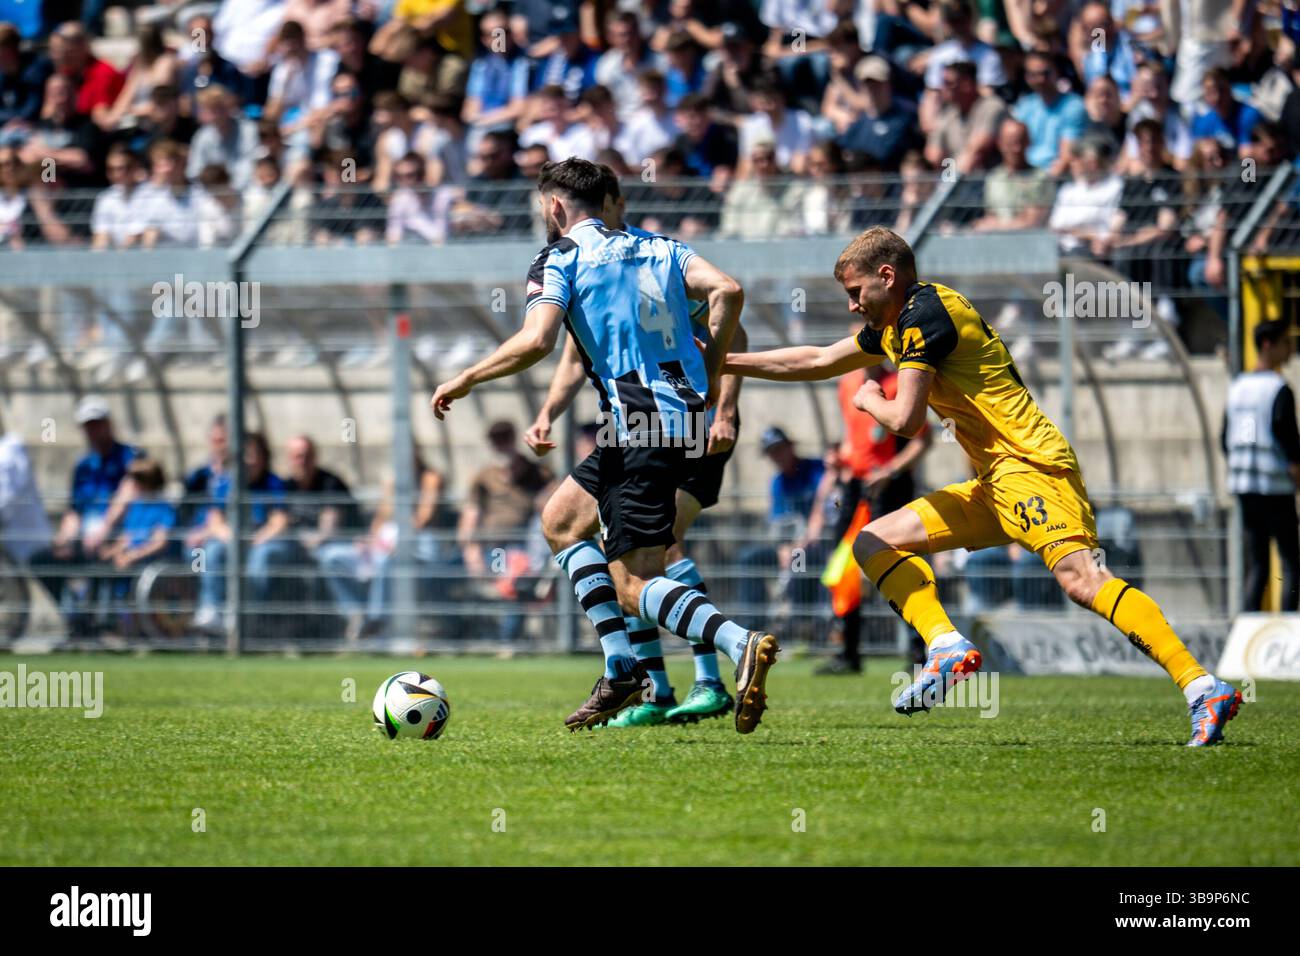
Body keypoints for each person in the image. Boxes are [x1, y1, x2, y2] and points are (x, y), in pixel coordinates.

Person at [725, 225, 1243, 747]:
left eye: (856, 292)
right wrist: (723, 361)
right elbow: (814, 359)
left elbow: (904, 419)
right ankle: (946, 644)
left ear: (887, 276)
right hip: (994, 481)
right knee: (874, 541)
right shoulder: (893, 326)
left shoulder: (925, 315)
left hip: (1032, 467)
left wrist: (867, 401)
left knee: (1083, 580)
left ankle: (1202, 686)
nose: (854, 305)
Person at [432, 157, 777, 734]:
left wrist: (467, 377)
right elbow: (729, 291)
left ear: (555, 207)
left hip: (643, 426)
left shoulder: (560, 257)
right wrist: (710, 372)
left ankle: (737, 644)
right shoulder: (658, 246)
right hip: (664, 424)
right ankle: (622, 669)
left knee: (635, 586)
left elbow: (538, 339)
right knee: (562, 519)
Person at [522, 164, 747, 726]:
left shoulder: (638, 255)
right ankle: (637, 677)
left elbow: (731, 315)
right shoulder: (648, 256)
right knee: (565, 520)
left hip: (663, 424)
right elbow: (577, 355)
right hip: (648, 424)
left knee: (641, 572)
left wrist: (721, 392)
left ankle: (722, 659)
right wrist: (548, 411)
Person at [815, 360, 932, 675]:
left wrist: (890, 471)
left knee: (895, 566)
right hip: (855, 488)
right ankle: (847, 653)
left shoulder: (898, 384)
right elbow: (853, 437)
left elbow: (923, 440)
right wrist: (839, 457)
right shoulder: (848, 384)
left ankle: (920, 651)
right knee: (843, 567)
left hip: (889, 487)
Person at [28, 395, 141, 637]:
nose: (93, 430)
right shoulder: (84, 465)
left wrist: (104, 530)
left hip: (117, 537)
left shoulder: (130, 456)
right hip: (86, 538)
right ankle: (75, 618)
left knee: (100, 557)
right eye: (88, 425)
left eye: (97, 423)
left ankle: (103, 623)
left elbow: (127, 495)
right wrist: (64, 539)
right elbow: (74, 511)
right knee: (42, 560)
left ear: (108, 423)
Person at [1223, 319, 1300, 611]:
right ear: (1268, 344)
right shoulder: (1279, 388)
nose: (1289, 349)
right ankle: (1289, 630)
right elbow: (1288, 438)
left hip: (1245, 487)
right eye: (1285, 342)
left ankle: (1248, 627)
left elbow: (1225, 437)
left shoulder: (1238, 386)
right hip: (1276, 487)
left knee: (1258, 565)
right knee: (1291, 563)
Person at [458, 420, 552, 641]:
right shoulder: (484, 476)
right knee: (441, 574)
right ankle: (459, 638)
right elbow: (471, 515)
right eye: (495, 440)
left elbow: (552, 502)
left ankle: (507, 641)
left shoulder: (536, 472)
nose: (501, 445)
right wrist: (470, 552)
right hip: (490, 548)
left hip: (524, 548)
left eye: (505, 439)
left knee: (513, 581)